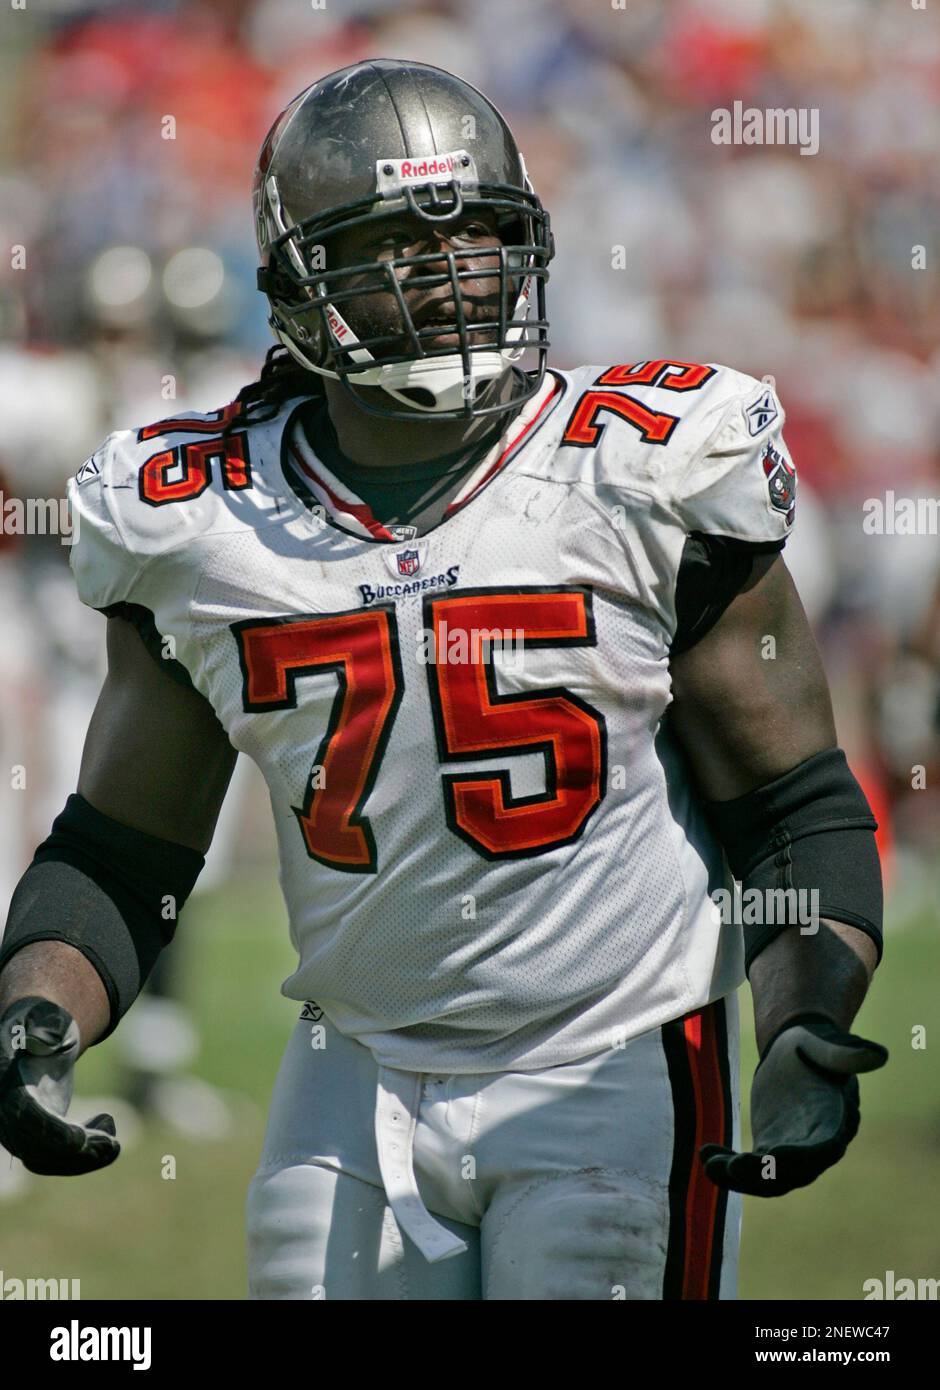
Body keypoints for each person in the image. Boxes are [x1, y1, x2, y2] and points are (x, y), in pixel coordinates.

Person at [0, 59, 886, 1301]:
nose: (450, 271)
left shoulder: (646, 473)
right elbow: (119, 852)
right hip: (350, 1069)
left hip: (614, 1059)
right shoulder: (203, 522)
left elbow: (791, 809)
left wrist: (804, 1014)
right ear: (298, 285)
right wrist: (38, 1007)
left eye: (476, 233)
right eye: (393, 246)